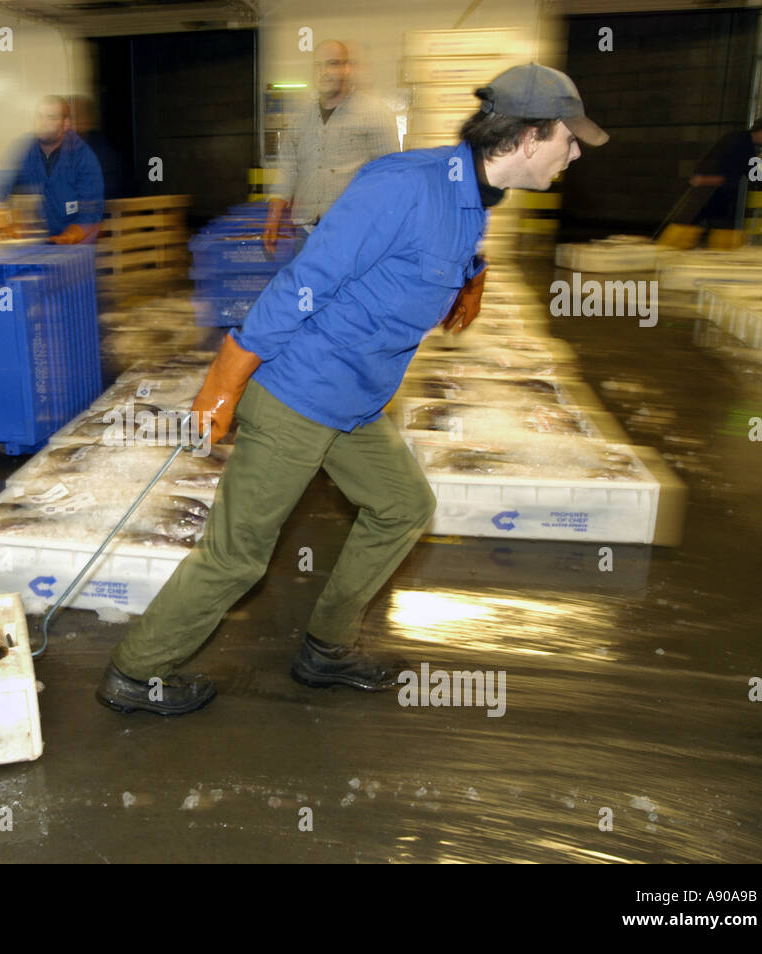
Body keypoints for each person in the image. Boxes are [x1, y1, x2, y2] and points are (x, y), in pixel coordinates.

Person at [96, 63, 608, 716]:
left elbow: (450, 248)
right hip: (297, 395)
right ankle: (135, 674)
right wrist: (224, 379)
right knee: (238, 557)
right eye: (569, 140)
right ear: (531, 136)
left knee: (403, 507)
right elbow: (301, 284)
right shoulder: (401, 186)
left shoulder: (475, 196)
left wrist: (471, 275)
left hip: (355, 403)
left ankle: (326, 649)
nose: (572, 155)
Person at [264, 40, 400, 255]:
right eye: (318, 65)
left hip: (353, 234)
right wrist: (273, 219)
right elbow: (288, 169)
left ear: (348, 68)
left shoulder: (375, 114)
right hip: (306, 234)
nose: (323, 72)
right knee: (307, 289)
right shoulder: (300, 117)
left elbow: (390, 176)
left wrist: (386, 230)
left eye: (332, 64)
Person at [0, 95, 104, 244]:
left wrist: (70, 236)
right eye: (39, 116)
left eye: (51, 118)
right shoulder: (24, 150)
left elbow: (91, 210)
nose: (43, 123)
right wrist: (2, 221)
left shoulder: (83, 158)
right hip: (35, 245)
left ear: (65, 123)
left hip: (75, 247)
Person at [659, 117, 762, 249]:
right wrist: (706, 177)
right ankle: (665, 254)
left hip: (719, 193)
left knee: (709, 227)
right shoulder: (738, 141)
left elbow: (754, 174)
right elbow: (714, 160)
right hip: (709, 190)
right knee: (690, 225)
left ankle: (670, 252)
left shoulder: (749, 146)